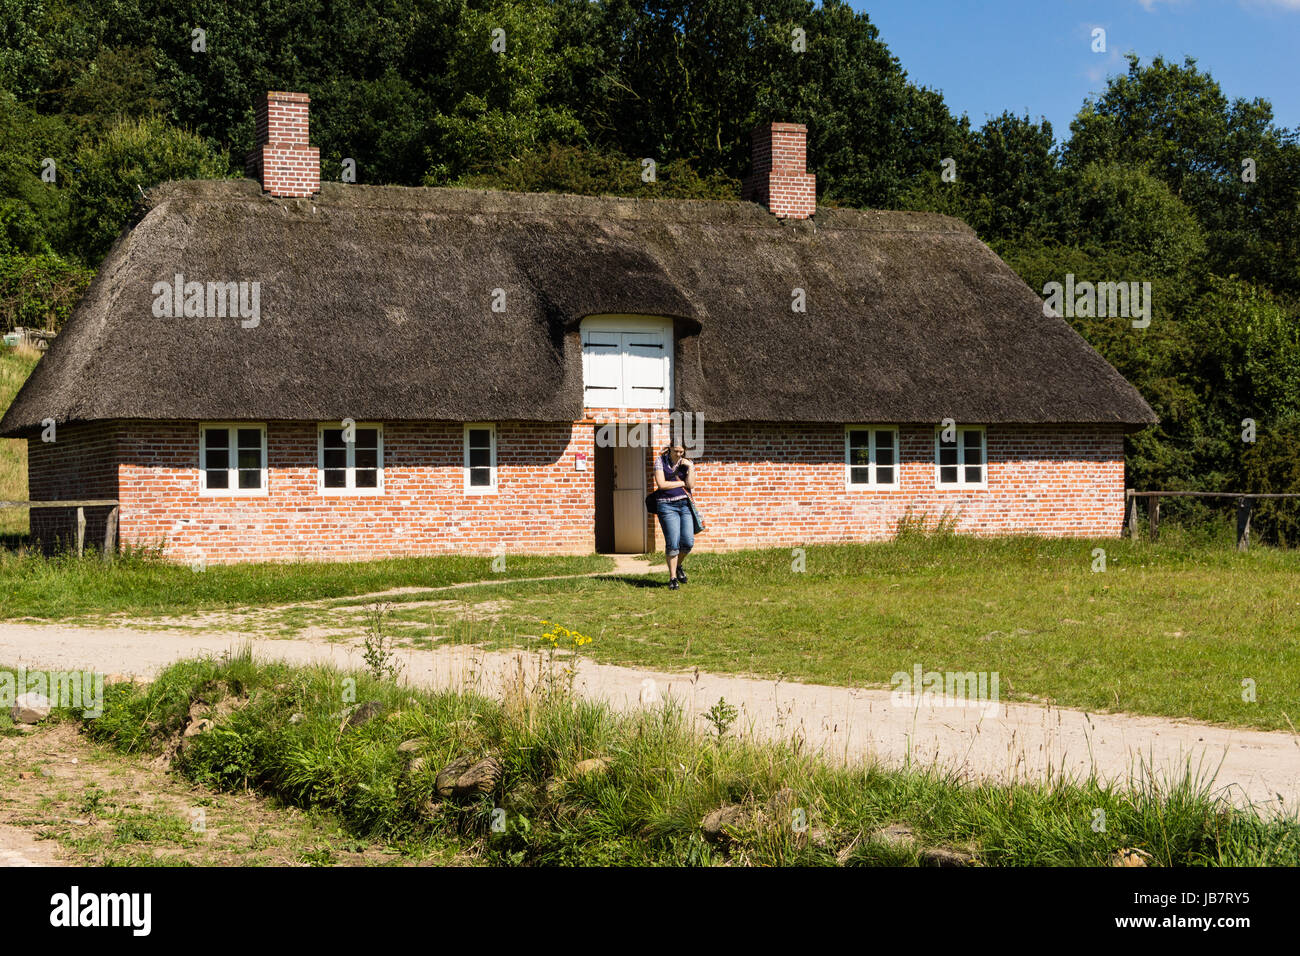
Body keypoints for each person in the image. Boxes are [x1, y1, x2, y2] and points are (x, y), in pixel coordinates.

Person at [652, 442, 695, 590]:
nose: (678, 454)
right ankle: (673, 578)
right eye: (676, 451)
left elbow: (691, 484)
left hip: (685, 505)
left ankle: (678, 565)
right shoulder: (660, 461)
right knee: (673, 542)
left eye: (681, 452)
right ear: (670, 448)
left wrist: (690, 467)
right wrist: (682, 482)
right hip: (666, 505)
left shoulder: (687, 463)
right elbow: (662, 484)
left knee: (688, 541)